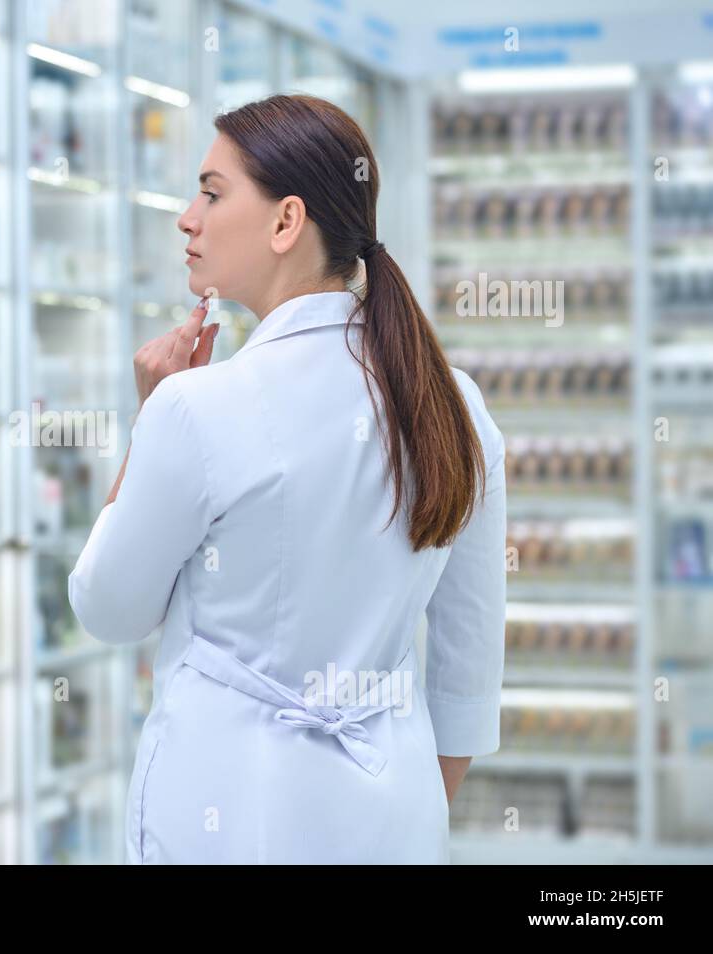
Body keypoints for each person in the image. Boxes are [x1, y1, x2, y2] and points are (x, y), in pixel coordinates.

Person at [67, 94, 506, 864]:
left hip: (224, 820)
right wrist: (395, 820)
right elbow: (467, 674)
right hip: (396, 821)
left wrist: (146, 427)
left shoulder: (199, 407)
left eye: (211, 191)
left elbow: (107, 606)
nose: (187, 217)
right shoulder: (453, 404)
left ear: (285, 222)